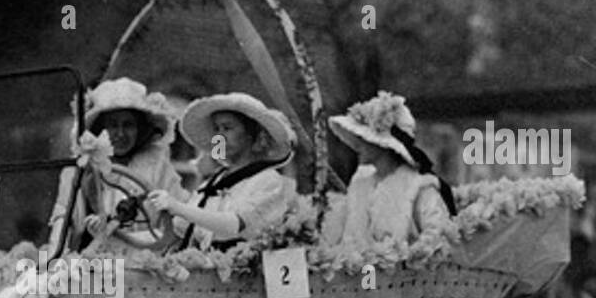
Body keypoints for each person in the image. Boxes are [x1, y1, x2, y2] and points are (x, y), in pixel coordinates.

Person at [146, 92, 296, 251]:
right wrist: (120, 236)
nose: (220, 136)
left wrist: (177, 207)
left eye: (227, 128)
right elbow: (176, 231)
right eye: (217, 129)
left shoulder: (267, 181)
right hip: (204, 269)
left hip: (240, 271)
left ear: (251, 134)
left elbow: (233, 225)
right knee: (121, 270)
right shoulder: (213, 183)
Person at [320, 91, 454, 250]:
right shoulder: (360, 182)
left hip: (402, 273)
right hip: (362, 274)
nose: (358, 146)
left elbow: (439, 240)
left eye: (365, 139)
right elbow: (342, 240)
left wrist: (407, 258)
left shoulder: (419, 187)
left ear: (382, 146)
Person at [77, 78, 187, 252]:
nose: (120, 134)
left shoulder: (158, 166)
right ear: (101, 129)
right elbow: (74, 224)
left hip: (150, 259)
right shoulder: (89, 169)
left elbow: (179, 222)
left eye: (128, 125)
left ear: (140, 129)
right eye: (113, 125)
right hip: (102, 260)